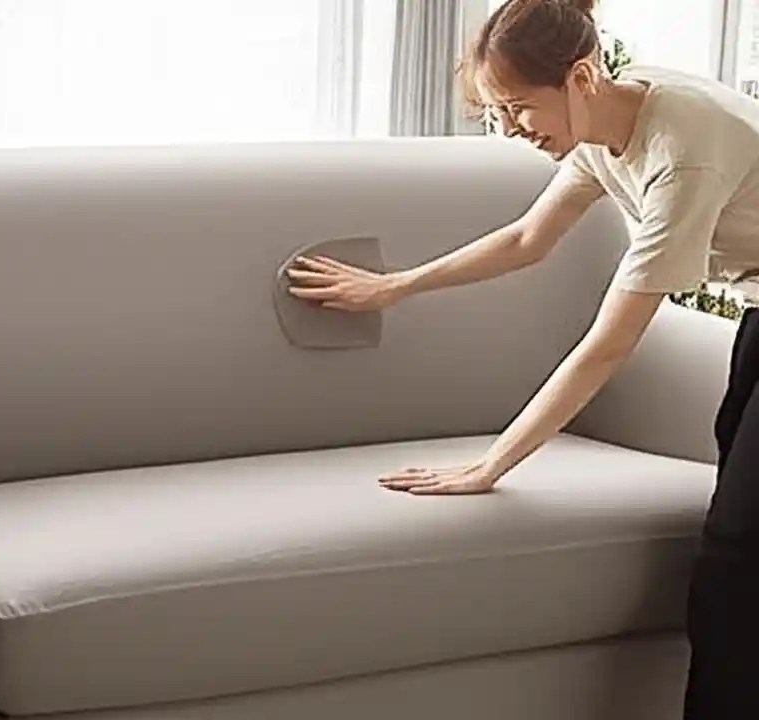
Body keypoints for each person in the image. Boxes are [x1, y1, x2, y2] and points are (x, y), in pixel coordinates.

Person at [285, 0, 759, 715]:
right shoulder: (606, 126)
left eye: (516, 107)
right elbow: (527, 239)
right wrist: (393, 286)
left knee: (736, 553)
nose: (509, 128)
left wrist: (492, 464)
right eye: (495, 111)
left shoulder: (680, 152)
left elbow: (607, 347)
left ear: (579, 78)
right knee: (738, 532)